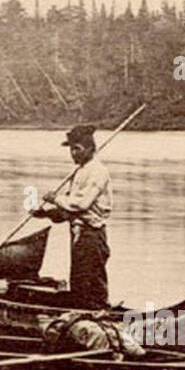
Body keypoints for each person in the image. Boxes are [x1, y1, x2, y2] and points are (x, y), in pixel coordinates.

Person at [32, 124, 113, 307]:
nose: (73, 154)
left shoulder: (98, 171)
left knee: (92, 283)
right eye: (71, 149)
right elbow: (68, 210)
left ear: (90, 149)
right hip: (77, 233)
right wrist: (45, 214)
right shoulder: (79, 172)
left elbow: (81, 204)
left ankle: (100, 318)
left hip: (92, 235)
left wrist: (55, 199)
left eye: (77, 149)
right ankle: (83, 316)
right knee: (78, 282)